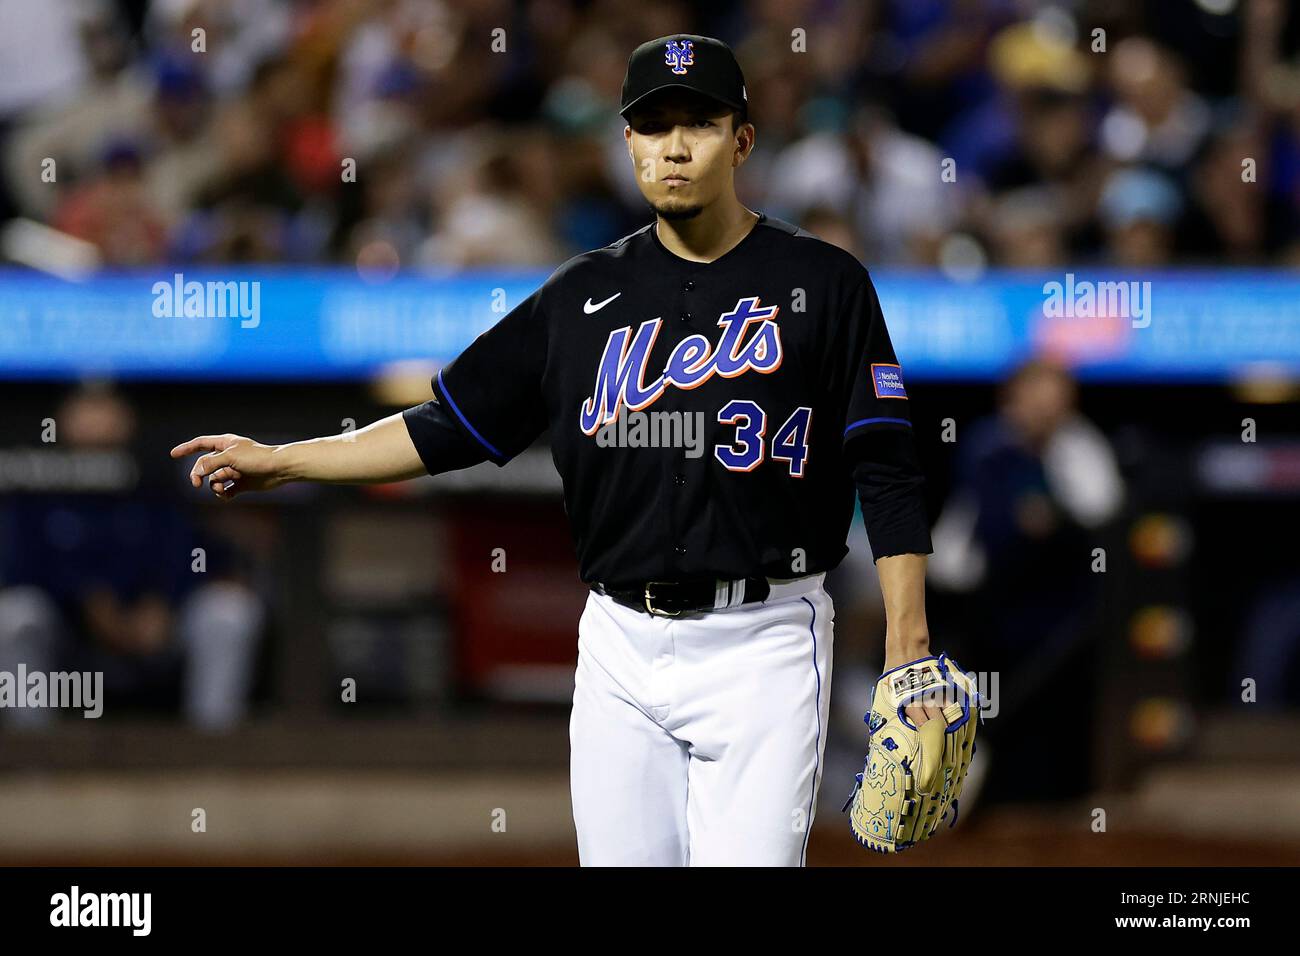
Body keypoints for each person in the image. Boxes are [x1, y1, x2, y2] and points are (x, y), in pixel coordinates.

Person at [171, 35, 943, 866]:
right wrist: (285, 459)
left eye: (700, 124)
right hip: (619, 639)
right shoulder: (579, 298)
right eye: (653, 127)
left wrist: (910, 646)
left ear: (743, 141)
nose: (675, 146)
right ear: (628, 144)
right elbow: (444, 427)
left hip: (766, 637)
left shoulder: (825, 285)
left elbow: (887, 467)